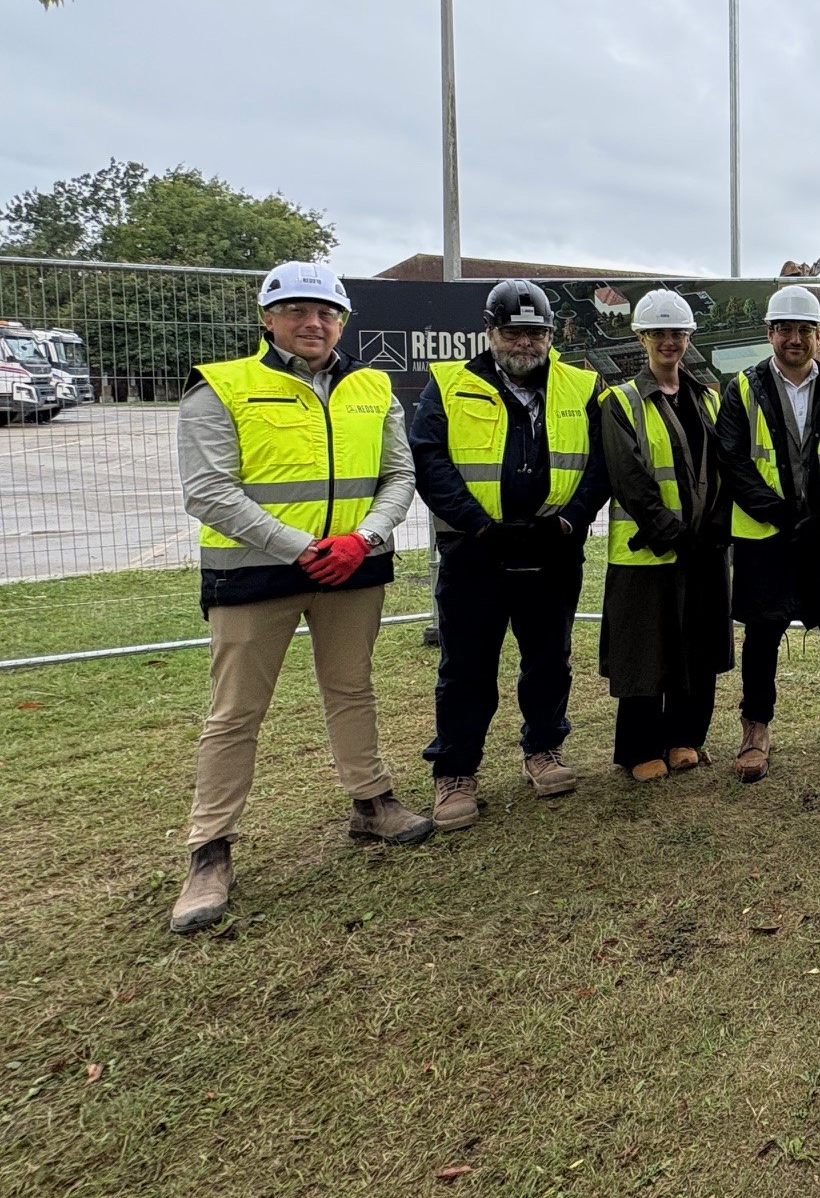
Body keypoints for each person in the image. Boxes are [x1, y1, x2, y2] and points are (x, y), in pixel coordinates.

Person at [171, 262, 429, 933]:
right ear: (268, 317)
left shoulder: (373, 387)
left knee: (353, 689)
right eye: (296, 311)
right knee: (235, 713)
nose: (313, 324)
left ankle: (372, 802)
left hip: (352, 569)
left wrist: (365, 538)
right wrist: (298, 546)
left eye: (326, 313)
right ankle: (209, 849)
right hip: (256, 575)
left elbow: (399, 476)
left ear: (342, 320)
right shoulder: (222, 387)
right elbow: (208, 491)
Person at [409, 279, 608, 828]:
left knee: (549, 658)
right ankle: (455, 771)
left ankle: (543, 750)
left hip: (553, 547)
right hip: (477, 550)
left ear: (550, 334)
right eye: (514, 332)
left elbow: (601, 464)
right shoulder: (449, 385)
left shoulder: (583, 386)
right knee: (467, 666)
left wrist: (571, 520)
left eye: (536, 332)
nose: (525, 342)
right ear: (491, 332)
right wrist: (479, 527)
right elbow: (430, 461)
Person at [716, 284, 820, 780]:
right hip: (768, 536)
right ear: (769, 333)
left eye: (804, 329)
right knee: (762, 633)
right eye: (784, 329)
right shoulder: (741, 388)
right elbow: (733, 461)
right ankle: (755, 728)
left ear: (818, 335)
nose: (794, 339)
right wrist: (778, 513)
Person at [598, 289, 734, 779]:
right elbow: (628, 476)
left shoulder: (708, 398)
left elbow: (726, 466)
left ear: (689, 337)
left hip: (702, 548)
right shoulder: (621, 401)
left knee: (695, 646)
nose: (668, 342)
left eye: (677, 333)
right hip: (649, 551)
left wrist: (717, 524)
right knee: (644, 650)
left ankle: (685, 737)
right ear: (642, 338)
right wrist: (669, 531)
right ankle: (640, 749)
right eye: (658, 333)